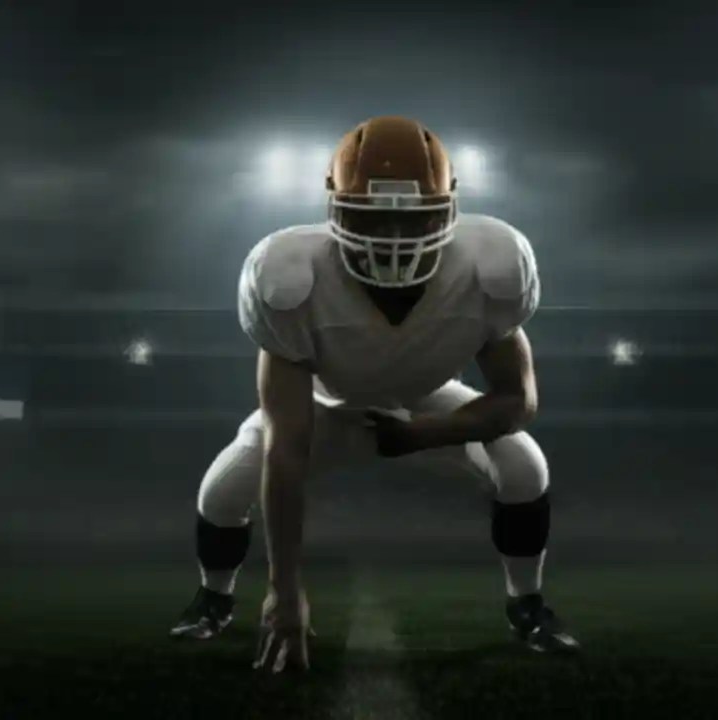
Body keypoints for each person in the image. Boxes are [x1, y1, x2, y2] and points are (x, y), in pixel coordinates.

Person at [171, 116, 578, 672]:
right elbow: (286, 449)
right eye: (374, 218)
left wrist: (420, 434)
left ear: (449, 208)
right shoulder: (290, 277)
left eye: (412, 219)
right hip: (324, 404)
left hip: (427, 400)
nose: (392, 237)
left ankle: (527, 603)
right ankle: (214, 599)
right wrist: (285, 591)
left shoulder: (492, 266)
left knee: (525, 466)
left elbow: (517, 402)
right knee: (220, 491)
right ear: (335, 209)